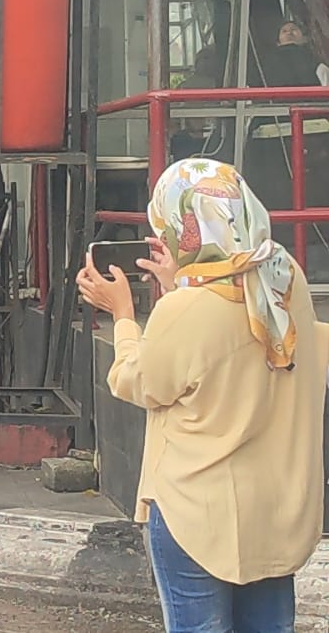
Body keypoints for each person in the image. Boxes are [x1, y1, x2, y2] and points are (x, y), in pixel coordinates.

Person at [77, 158, 328, 632]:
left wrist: (124, 312)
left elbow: (137, 380)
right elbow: (240, 331)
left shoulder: (185, 311)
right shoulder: (284, 278)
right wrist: (181, 284)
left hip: (199, 518)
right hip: (277, 513)